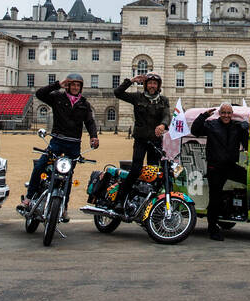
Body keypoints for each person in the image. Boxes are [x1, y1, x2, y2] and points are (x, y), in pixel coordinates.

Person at [20, 74, 99, 213]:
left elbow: (90, 122)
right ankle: (29, 197)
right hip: (57, 141)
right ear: (67, 86)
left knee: (68, 177)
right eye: (72, 84)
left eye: (78, 85)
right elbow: (40, 94)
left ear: (81, 87)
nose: (75, 87)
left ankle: (64, 207)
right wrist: (57, 85)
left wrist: (94, 136)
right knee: (39, 166)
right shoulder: (57, 98)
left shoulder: (84, 104)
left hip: (74, 144)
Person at [108, 72, 169, 214]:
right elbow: (118, 93)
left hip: (155, 142)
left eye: (155, 83)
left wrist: (163, 125)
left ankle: (147, 203)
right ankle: (120, 200)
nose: (152, 86)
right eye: (149, 83)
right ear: (145, 85)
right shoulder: (137, 97)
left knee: (153, 172)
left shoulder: (163, 100)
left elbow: (167, 115)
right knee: (136, 170)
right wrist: (131, 81)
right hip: (141, 140)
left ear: (158, 86)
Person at [190, 103, 247, 240]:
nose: (226, 116)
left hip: (230, 165)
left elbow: (246, 144)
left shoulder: (236, 126)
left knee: (249, 179)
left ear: (232, 114)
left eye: (229, 113)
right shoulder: (211, 125)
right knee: (215, 197)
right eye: (223, 113)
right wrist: (203, 115)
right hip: (215, 167)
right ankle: (212, 228)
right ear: (220, 113)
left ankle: (237, 210)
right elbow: (195, 130)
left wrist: (246, 130)